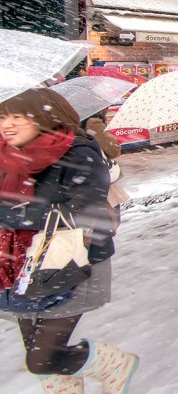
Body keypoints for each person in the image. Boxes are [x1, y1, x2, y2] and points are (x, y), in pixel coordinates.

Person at [0, 89, 138, 394]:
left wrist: (12, 211)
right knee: (38, 350)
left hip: (71, 261)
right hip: (23, 265)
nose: (7, 125)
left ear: (45, 116)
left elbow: (84, 213)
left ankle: (114, 364)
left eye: (17, 116)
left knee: (42, 358)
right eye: (2, 117)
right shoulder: (7, 155)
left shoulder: (78, 152)